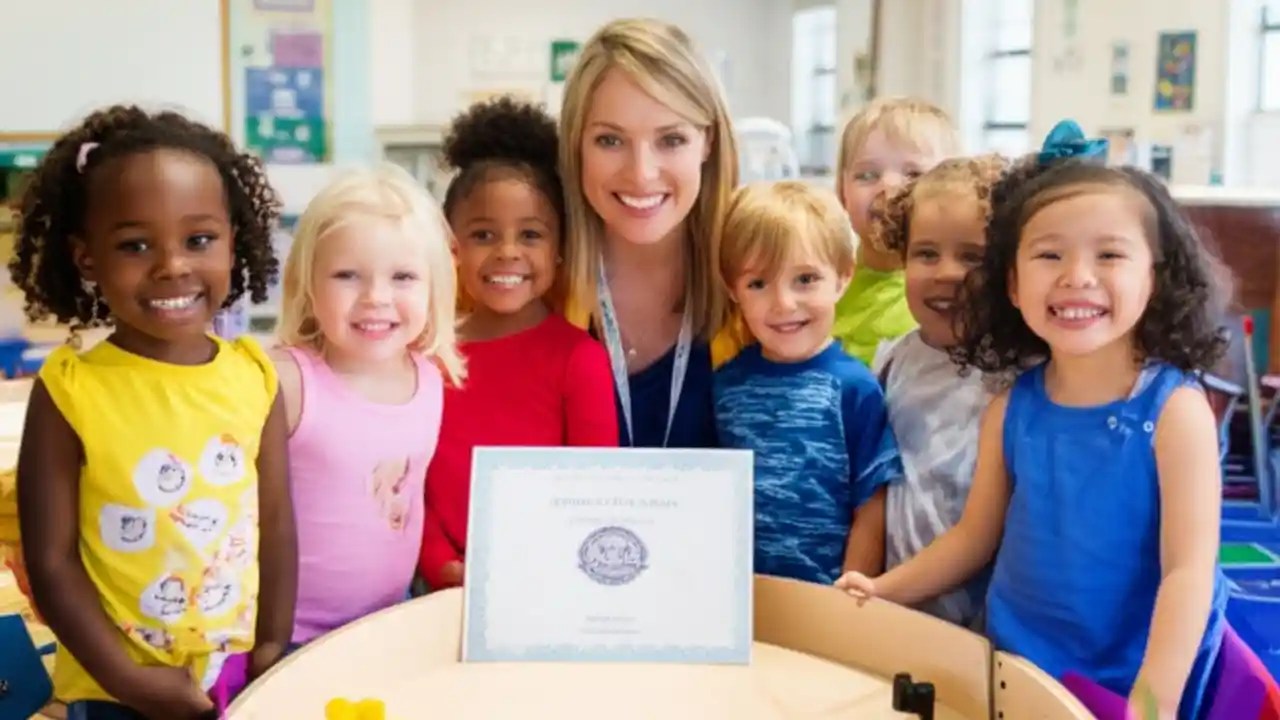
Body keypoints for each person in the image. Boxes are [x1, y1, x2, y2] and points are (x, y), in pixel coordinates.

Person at [837, 122, 1233, 720]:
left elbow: (1187, 573)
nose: (1077, 276)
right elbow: (974, 539)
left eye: (1109, 254)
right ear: (1014, 285)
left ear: (1154, 276)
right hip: (1017, 669)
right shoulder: (1013, 405)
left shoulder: (1175, 412)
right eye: (1050, 254)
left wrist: (1151, 705)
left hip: (1135, 678)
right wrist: (880, 590)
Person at [11, 105, 294, 720]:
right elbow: (51, 561)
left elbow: (274, 523)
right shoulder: (70, 388)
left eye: (199, 240)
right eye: (136, 245)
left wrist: (274, 643)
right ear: (88, 259)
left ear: (232, 242)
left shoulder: (255, 374)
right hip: (116, 686)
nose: (172, 265)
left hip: (234, 675)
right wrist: (129, 680)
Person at [420, 96, 617, 591]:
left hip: (549, 580)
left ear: (560, 250)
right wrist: (440, 564)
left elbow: (596, 490)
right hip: (436, 586)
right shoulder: (427, 353)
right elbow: (405, 479)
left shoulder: (581, 359)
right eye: (484, 234)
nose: (508, 251)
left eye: (530, 235)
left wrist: (540, 569)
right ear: (452, 247)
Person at [270, 164, 465, 643]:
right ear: (307, 284)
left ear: (434, 287)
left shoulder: (429, 378)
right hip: (287, 635)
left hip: (387, 622)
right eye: (347, 275)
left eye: (402, 277)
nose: (376, 297)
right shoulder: (287, 381)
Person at [559, 17, 738, 448]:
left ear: (707, 141)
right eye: (610, 141)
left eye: (671, 140)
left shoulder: (760, 284)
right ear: (575, 144)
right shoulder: (530, 286)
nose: (641, 174)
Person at [714, 181, 902, 584]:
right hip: (738, 597)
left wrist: (852, 587)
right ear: (733, 290)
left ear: (842, 278)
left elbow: (873, 501)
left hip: (824, 598)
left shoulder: (855, 387)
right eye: (758, 284)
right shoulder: (723, 386)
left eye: (805, 279)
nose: (783, 303)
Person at [867, 154, 1009, 627]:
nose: (946, 272)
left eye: (971, 256)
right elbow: (876, 486)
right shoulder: (892, 361)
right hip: (897, 600)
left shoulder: (1017, 375)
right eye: (926, 253)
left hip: (980, 620)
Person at [831, 97, 960, 367]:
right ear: (842, 192)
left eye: (913, 174)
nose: (888, 187)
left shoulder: (949, 294)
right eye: (867, 175)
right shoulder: (824, 283)